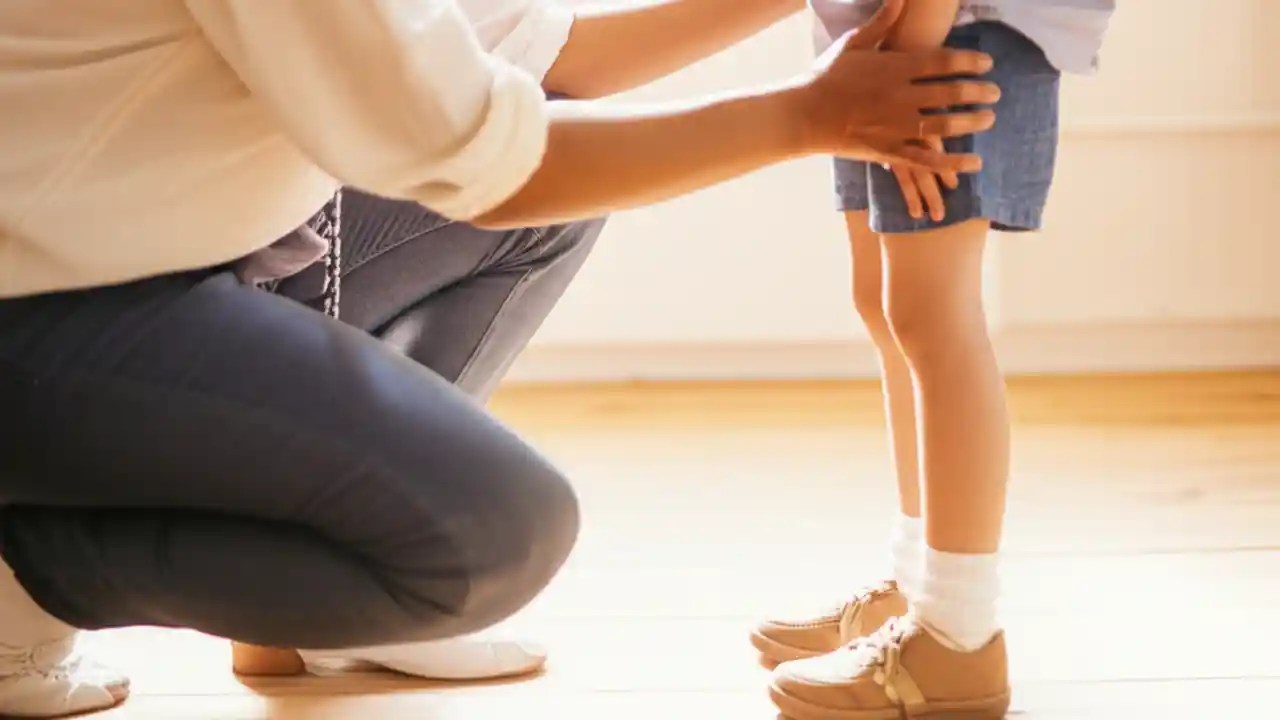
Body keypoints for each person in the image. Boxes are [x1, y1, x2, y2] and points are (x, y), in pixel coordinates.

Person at [0, 0, 999, 716]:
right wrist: (804, 114)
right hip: (46, 298)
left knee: (555, 208)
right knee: (494, 533)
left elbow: (531, 63)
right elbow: (483, 156)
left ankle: (305, 593)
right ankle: (22, 579)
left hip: (153, 247)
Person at [749, 2, 1115, 719]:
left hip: (949, 33)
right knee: (885, 304)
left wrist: (900, 58)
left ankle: (957, 631)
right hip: (884, 38)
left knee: (932, 313)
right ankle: (918, 582)